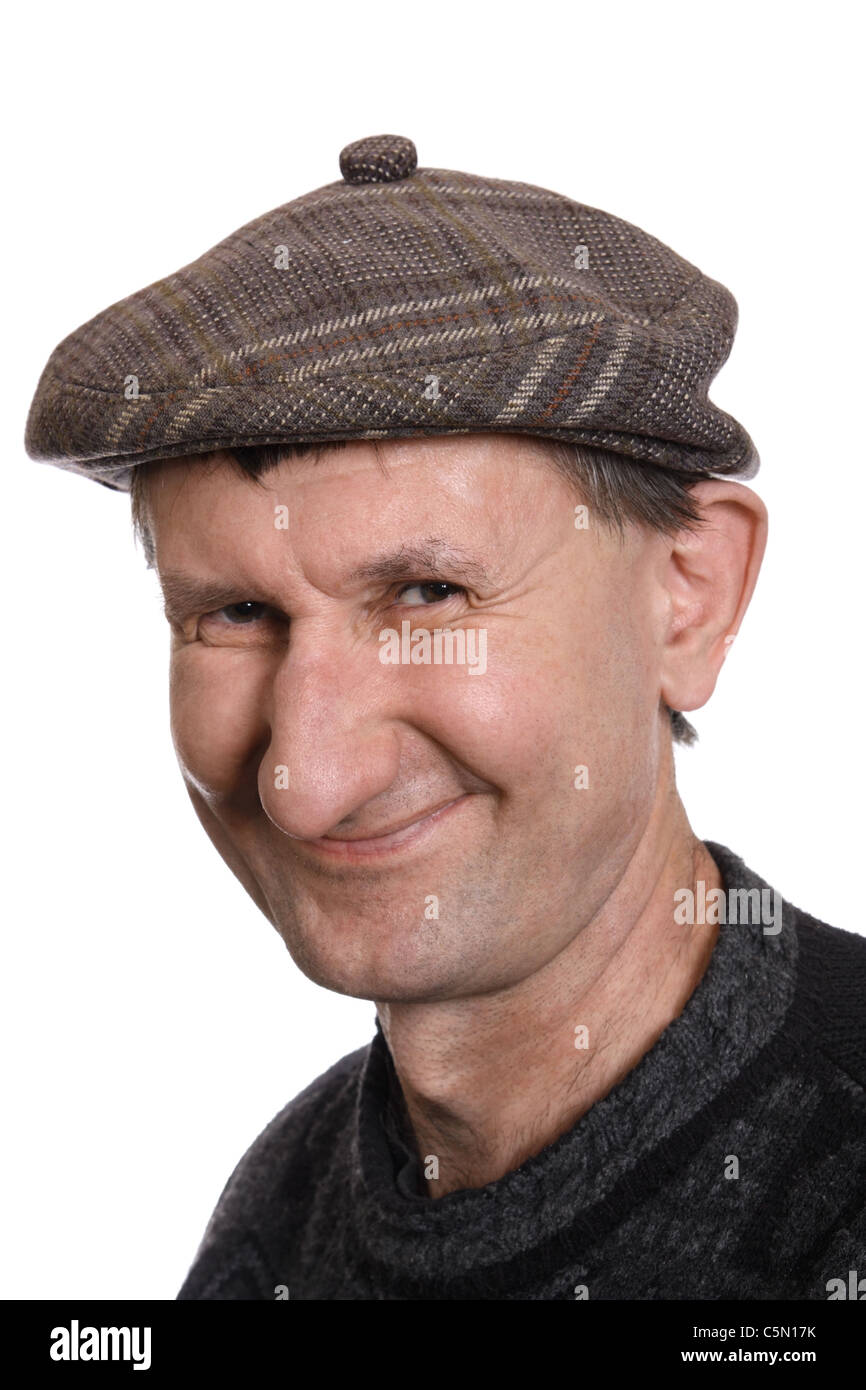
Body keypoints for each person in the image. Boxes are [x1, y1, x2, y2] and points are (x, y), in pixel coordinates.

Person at [25, 134, 866, 1301]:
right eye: (234, 613)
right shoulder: (285, 1204)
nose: (306, 777)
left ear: (688, 596)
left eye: (425, 594)